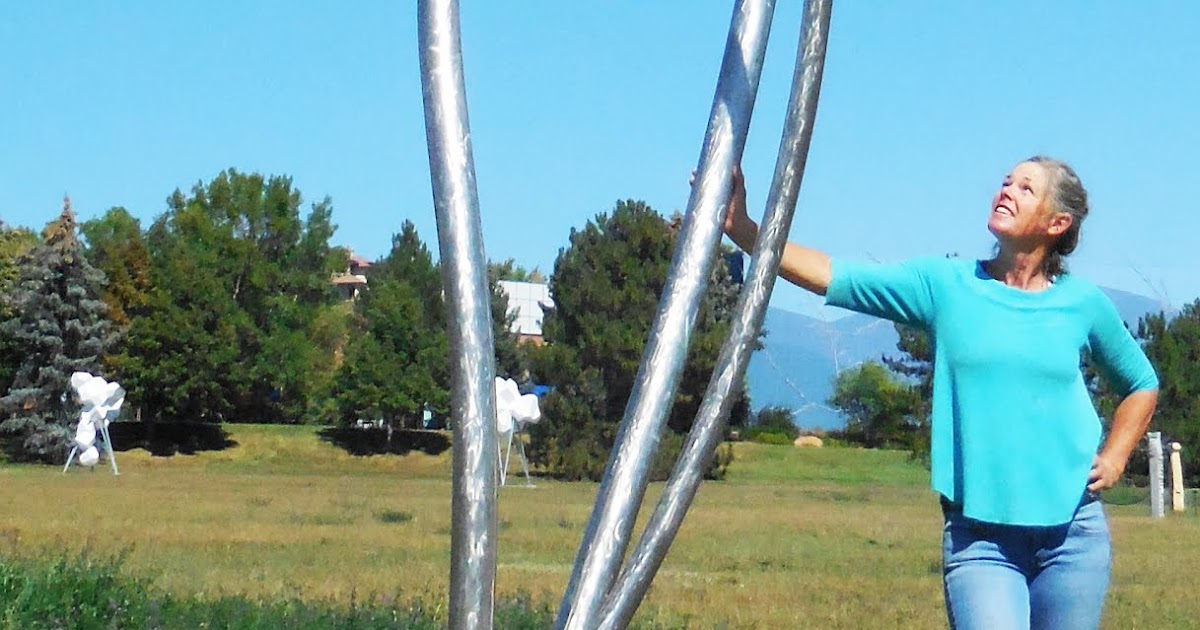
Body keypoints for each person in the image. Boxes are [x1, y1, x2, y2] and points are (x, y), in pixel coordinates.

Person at [721, 157, 1159, 630]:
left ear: (1058, 223)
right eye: (1006, 182)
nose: (1006, 190)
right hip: (981, 543)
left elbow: (1140, 383)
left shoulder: (1083, 303)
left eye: (1026, 188)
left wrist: (1115, 457)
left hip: (1075, 536)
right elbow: (835, 275)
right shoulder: (946, 286)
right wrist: (745, 231)